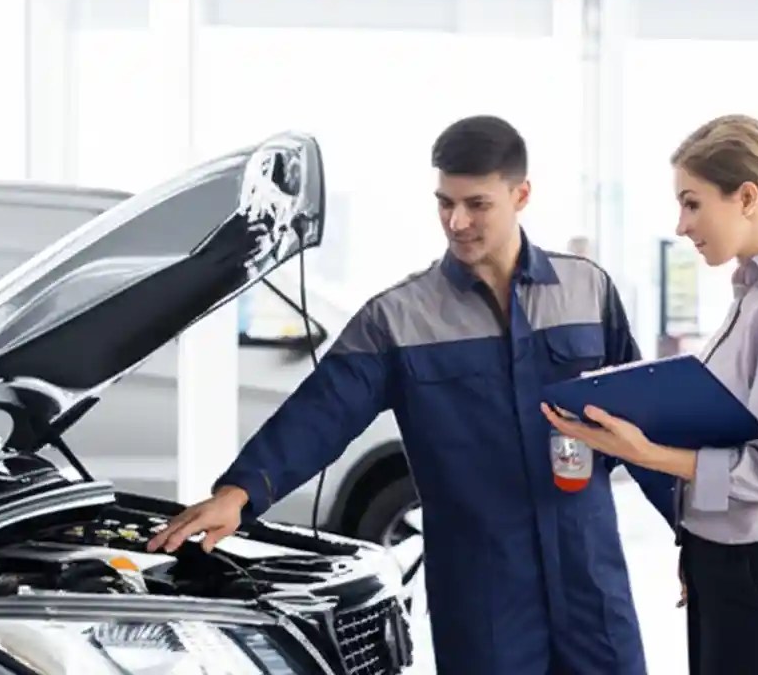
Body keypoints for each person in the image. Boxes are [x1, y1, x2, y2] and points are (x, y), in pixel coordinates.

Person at [148, 114, 674, 675]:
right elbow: (322, 410)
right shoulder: (398, 319)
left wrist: (694, 535)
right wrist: (241, 491)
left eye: (477, 204)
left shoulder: (587, 291)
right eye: (444, 202)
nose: (457, 221)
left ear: (521, 195)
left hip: (590, 578)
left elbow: (643, 425)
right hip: (483, 591)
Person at [542, 114, 758, 675]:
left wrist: (643, 451)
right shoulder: (756, 295)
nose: (682, 224)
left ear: (746, 197)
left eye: (692, 203)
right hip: (726, 570)